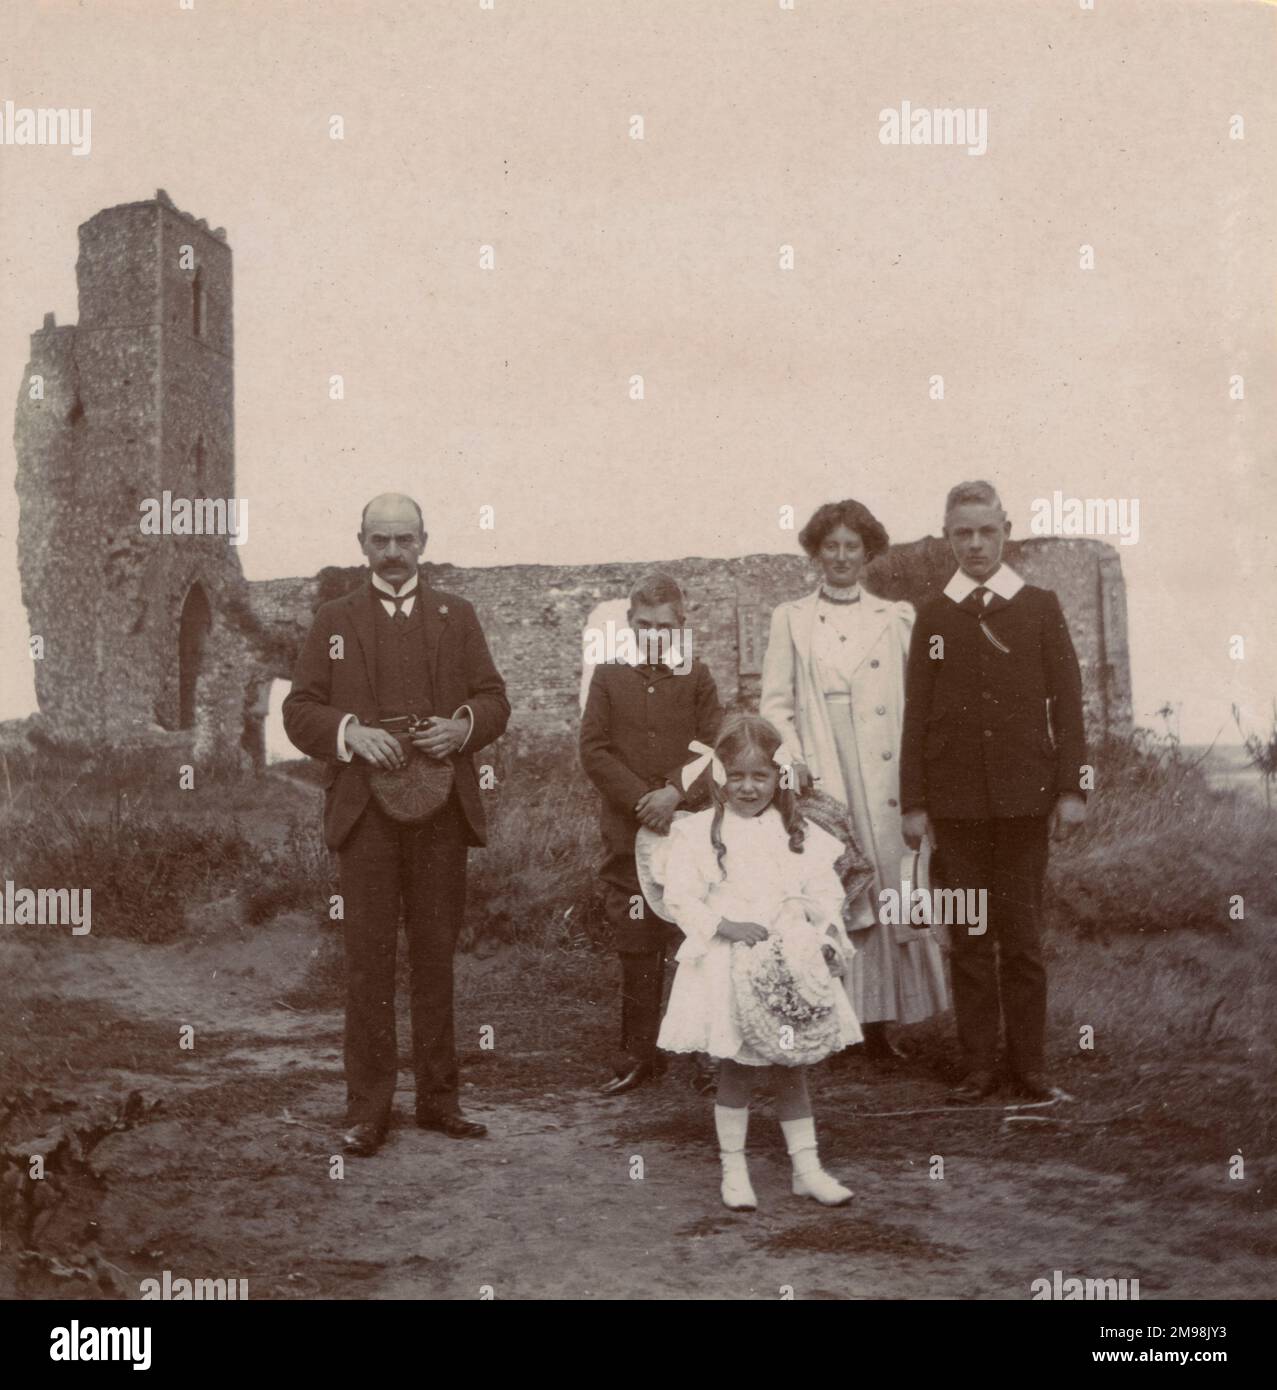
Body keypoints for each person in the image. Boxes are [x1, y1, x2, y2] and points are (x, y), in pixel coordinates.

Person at [282, 493, 510, 1156]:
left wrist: (458, 727)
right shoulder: (334, 618)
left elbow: (494, 699)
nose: (391, 552)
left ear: (423, 542)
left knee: (435, 956)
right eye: (379, 540)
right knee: (368, 964)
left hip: (442, 812)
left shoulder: (456, 615)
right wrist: (351, 733)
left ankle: (440, 1101)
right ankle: (368, 1112)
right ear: (361, 544)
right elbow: (300, 712)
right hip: (366, 817)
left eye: (403, 539)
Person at [900, 481, 1087, 1104]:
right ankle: (979, 1065)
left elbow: (1069, 706)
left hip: (1026, 803)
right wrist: (915, 803)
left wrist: (1070, 789)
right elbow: (916, 712)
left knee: (1023, 939)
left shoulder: (1039, 607)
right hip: (956, 807)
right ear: (947, 535)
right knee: (970, 936)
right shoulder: (934, 615)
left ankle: (1029, 1068)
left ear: (1006, 530)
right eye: (962, 533)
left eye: (986, 531)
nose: (975, 544)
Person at [760, 499, 948, 1061]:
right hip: (826, 769)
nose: (841, 557)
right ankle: (833, 1023)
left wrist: (920, 778)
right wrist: (797, 769)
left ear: (868, 553)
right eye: (831, 546)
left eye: (852, 546)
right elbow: (775, 705)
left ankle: (886, 1026)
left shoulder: (896, 618)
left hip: (885, 771)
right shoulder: (790, 618)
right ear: (816, 552)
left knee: (891, 885)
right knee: (836, 887)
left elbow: (919, 704)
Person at [656, 715, 861, 1211]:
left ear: (779, 778)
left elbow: (825, 895)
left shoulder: (798, 831)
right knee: (738, 1068)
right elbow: (682, 898)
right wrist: (724, 926)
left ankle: (806, 1170)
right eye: (737, 775)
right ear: (718, 775)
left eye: (761, 776)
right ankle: (734, 1167)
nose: (748, 787)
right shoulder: (699, 833)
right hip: (731, 965)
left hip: (789, 962)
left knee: (793, 1068)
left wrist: (826, 938)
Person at [579, 572, 723, 1096]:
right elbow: (594, 749)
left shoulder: (699, 678)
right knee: (637, 939)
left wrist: (672, 793)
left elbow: (712, 747)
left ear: (681, 624)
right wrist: (641, 799)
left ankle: (708, 1052)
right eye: (645, 625)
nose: (656, 635)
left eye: (666, 625)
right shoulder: (608, 676)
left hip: (687, 830)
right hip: (628, 833)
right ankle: (639, 1054)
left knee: (696, 937)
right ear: (630, 624)